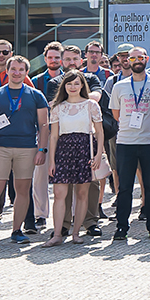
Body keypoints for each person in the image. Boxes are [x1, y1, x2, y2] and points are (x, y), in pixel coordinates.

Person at [0, 56, 47, 245]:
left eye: (21, 70)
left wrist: (42, 149)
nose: (17, 73)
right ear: (7, 71)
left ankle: (17, 230)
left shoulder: (36, 95)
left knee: (22, 190)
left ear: (26, 72)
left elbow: (43, 125)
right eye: (13, 69)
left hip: (27, 149)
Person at [42, 71, 105, 247]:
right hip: (63, 150)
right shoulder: (57, 107)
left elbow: (99, 132)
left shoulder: (91, 105)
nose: (73, 87)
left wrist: (98, 154)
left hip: (85, 148)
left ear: (82, 85)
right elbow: (53, 136)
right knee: (59, 194)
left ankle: (76, 233)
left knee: (82, 193)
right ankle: (56, 235)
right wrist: (52, 160)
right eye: (69, 84)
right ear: (64, 86)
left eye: (76, 83)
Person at [110, 49, 150, 240]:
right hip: (126, 142)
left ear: (146, 60)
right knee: (124, 188)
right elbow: (116, 114)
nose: (137, 61)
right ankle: (122, 226)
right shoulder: (119, 86)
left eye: (141, 58)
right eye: (133, 58)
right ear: (127, 61)